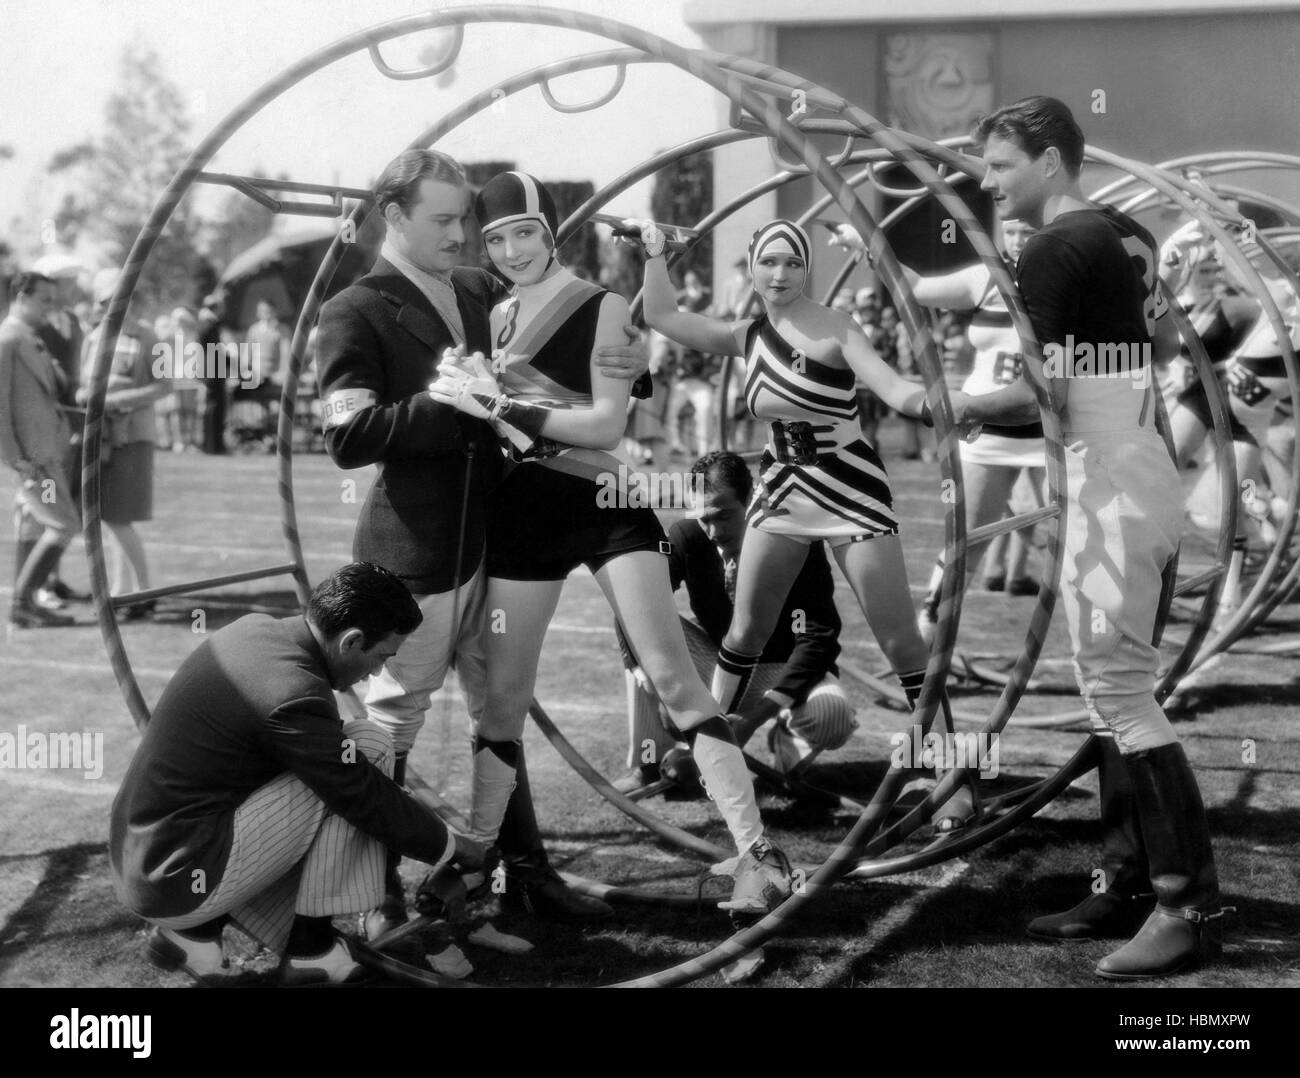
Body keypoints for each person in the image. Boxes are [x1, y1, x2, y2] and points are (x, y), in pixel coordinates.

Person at [430, 171, 793, 923]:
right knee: (501, 701)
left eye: (524, 232)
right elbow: (519, 422)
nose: (511, 249)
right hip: (526, 506)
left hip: (605, 499)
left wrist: (499, 401)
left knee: (672, 677)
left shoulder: (599, 305)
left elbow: (603, 427)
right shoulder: (495, 316)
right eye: (496, 238)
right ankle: (474, 861)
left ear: (551, 231)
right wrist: (471, 393)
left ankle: (758, 855)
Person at [316, 148, 646, 936]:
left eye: (465, 218)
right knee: (394, 724)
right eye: (444, 220)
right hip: (417, 559)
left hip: (494, 544)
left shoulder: (474, 285)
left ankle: (526, 876)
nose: (465, 235)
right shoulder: (354, 308)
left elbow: (562, 326)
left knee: (502, 708)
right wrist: (449, 404)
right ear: (393, 218)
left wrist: (628, 360)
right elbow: (348, 435)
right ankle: (378, 899)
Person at [950, 95, 1226, 979]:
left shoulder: (1056, 247)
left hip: (1110, 477)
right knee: (1108, 684)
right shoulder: (1108, 233)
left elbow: (1046, 398)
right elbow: (1096, 369)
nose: (987, 184)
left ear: (1052, 162)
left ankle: (1184, 905)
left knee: (1118, 687)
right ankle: (1128, 880)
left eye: (999, 166)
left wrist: (936, 398)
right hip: (1123, 465)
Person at [636, 216, 975, 831]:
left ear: (807, 268)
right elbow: (662, 316)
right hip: (782, 486)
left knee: (900, 640)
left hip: (848, 483)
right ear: (752, 267)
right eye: (769, 262)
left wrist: (956, 408)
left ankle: (951, 777)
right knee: (744, 631)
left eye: (793, 262)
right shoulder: (747, 335)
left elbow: (897, 394)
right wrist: (656, 252)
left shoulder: (838, 326)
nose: (781, 274)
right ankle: (711, 751)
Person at [109, 561, 485, 986]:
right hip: (176, 873)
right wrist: (451, 847)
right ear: (351, 641)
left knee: (338, 764)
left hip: (149, 858)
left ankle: (195, 934)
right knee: (369, 749)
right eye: (381, 657)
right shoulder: (293, 693)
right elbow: (359, 793)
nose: (376, 672)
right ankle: (311, 950)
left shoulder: (256, 629)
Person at [834, 218, 1048, 627]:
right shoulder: (987, 278)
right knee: (966, 541)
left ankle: (1104, 652)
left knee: (1067, 544)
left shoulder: (1064, 275)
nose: (1020, 240)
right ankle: (929, 635)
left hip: (1047, 427)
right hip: (986, 424)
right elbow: (911, 285)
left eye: (1030, 231)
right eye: (1012, 230)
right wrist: (864, 241)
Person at [615, 451, 857, 792]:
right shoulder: (688, 537)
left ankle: (785, 753)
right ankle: (650, 764)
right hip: (718, 666)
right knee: (644, 628)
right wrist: (657, 685)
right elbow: (632, 610)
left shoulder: (791, 539)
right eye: (703, 518)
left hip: (780, 667)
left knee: (833, 713)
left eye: (724, 516)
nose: (713, 530)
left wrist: (756, 717)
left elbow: (819, 637)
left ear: (751, 500)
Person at [79, 269, 170, 620]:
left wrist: (119, 399)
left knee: (118, 517)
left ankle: (144, 591)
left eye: (119, 298)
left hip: (132, 436)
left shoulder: (148, 336)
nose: (112, 306)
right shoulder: (94, 338)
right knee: (108, 515)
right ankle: (123, 592)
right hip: (100, 437)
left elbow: (165, 387)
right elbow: (81, 385)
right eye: (105, 301)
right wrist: (89, 395)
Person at [1, 272, 78, 628]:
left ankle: (26, 605)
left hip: (46, 449)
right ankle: (21, 603)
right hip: (32, 456)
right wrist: (15, 457)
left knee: (32, 529)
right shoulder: (7, 339)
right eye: (44, 299)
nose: (51, 306)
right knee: (62, 526)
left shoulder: (28, 338)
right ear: (21, 296)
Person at [31, 253, 91, 609]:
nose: (73, 288)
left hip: (70, 425)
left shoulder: (72, 319)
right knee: (45, 508)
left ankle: (52, 579)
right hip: (46, 431)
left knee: (64, 505)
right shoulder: (34, 325)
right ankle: (39, 587)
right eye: (67, 282)